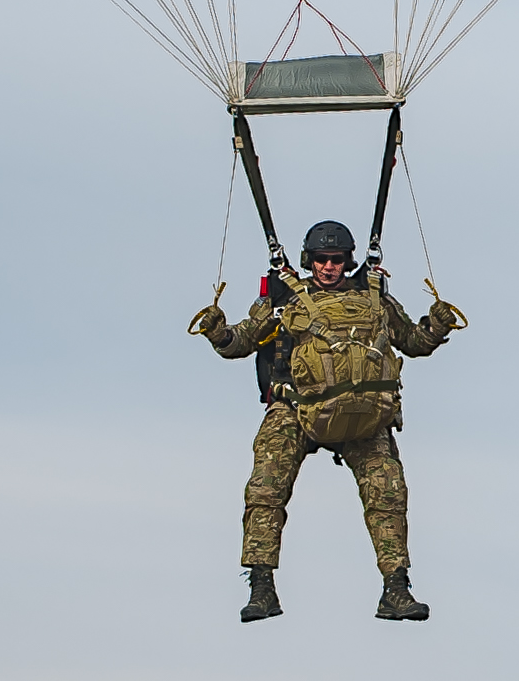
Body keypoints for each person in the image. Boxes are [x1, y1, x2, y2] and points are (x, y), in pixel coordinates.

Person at [192, 219, 463, 623]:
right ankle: (261, 586)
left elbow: (413, 342)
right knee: (266, 485)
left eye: (336, 260)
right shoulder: (286, 301)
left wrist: (438, 325)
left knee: (387, 492)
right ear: (310, 261)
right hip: (296, 408)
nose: (329, 268)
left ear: (347, 261)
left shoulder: (374, 299)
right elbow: (241, 342)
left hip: (361, 413)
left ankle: (396, 588)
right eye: (321, 260)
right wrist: (217, 332)